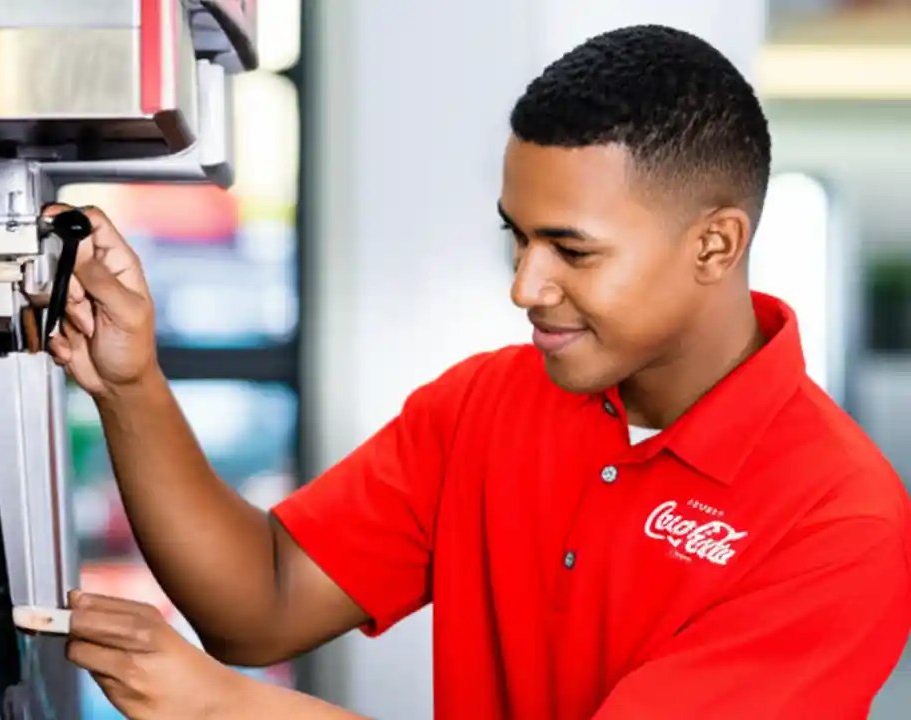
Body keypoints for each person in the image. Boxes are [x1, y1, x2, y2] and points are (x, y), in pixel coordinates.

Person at [47, 24, 911, 720]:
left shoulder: (840, 522)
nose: (525, 287)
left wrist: (222, 712)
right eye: (519, 236)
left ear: (715, 245)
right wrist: (131, 385)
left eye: (572, 250)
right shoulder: (491, 401)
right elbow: (260, 603)